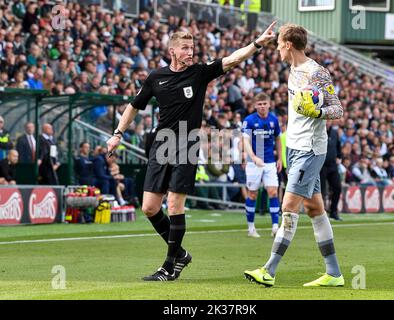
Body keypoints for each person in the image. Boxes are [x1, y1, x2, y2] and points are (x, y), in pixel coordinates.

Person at [107, 23, 278, 281]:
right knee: (150, 207)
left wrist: (258, 42)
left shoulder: (199, 73)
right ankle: (181, 254)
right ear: (172, 51)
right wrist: (118, 134)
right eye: (185, 48)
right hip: (162, 143)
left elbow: (233, 59)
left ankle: (168, 266)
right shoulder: (156, 77)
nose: (191, 52)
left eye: (193, 47)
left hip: (187, 143)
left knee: (175, 204)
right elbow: (133, 106)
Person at [244, 24, 344, 288]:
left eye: (278, 43)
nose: (277, 47)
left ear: (288, 44)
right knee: (314, 208)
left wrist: (318, 112)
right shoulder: (293, 70)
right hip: (295, 148)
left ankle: (268, 270)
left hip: (310, 149)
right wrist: (260, 40)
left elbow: (337, 109)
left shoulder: (316, 73)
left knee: (288, 206)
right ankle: (334, 273)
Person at [242, 92, 282, 238]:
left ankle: (275, 227)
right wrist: (253, 157)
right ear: (255, 106)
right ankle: (251, 228)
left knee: (273, 192)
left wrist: (280, 158)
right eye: (259, 104)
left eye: (264, 103)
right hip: (254, 163)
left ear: (269, 104)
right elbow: (245, 140)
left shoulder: (274, 120)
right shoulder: (249, 120)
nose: (262, 106)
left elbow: (278, 138)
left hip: (270, 161)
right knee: (252, 194)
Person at [320, 121, 343, 221]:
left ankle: (333, 211)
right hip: (321, 165)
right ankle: (321, 214)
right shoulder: (318, 131)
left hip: (333, 165)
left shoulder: (334, 132)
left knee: (337, 187)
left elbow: (338, 146)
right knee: (321, 190)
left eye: (329, 120)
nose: (327, 122)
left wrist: (339, 156)